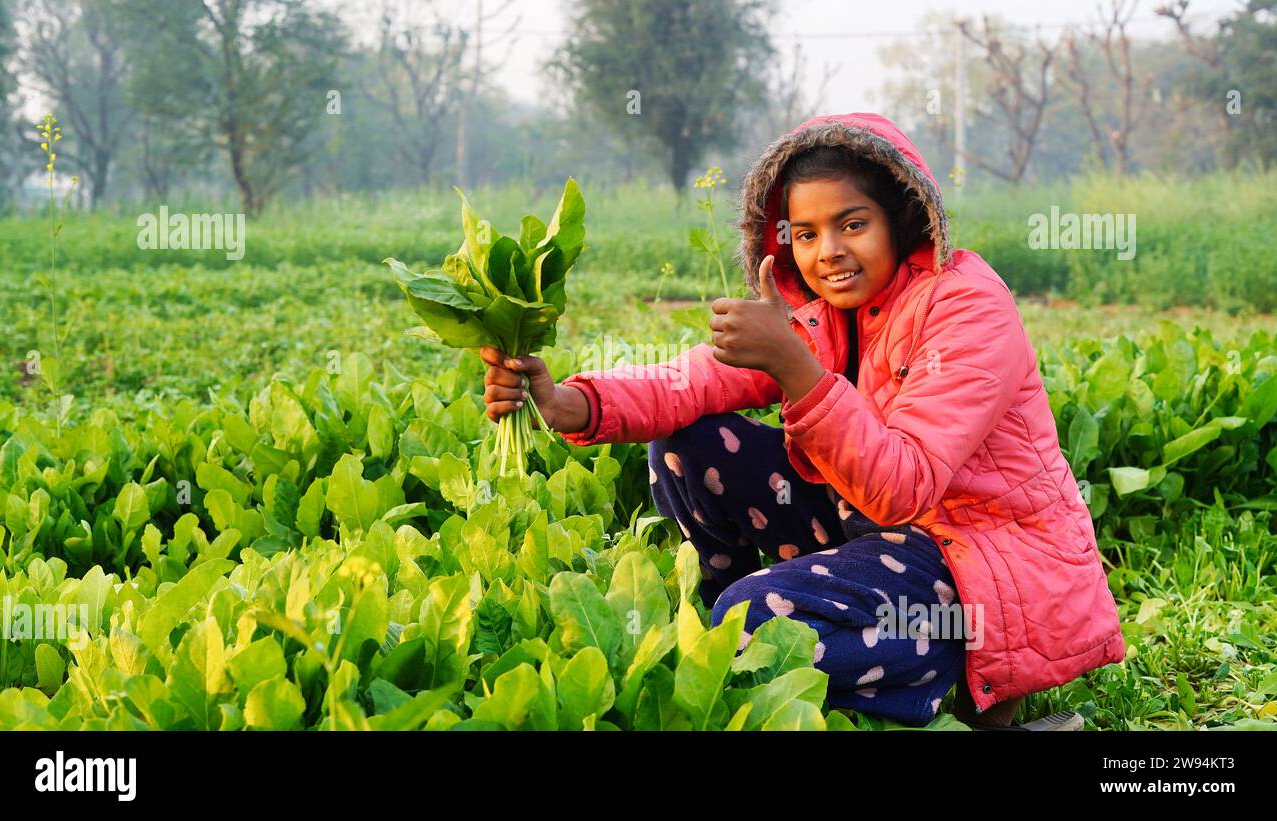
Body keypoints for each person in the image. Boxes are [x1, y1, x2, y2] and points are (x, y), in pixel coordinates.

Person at [479, 112, 1124, 730]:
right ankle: (743, 643)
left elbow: (907, 484)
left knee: (753, 621)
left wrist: (796, 371)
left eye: (852, 224)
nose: (829, 253)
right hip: (873, 528)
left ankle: (949, 673)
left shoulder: (967, 308)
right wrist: (567, 402)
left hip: (973, 565)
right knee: (686, 443)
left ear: (901, 219)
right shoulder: (821, 313)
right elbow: (690, 381)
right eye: (807, 234)